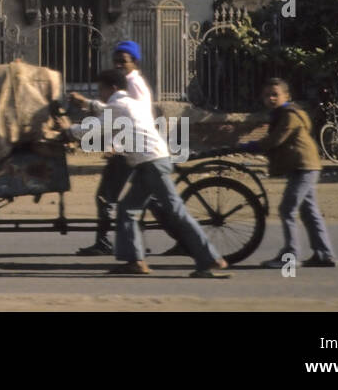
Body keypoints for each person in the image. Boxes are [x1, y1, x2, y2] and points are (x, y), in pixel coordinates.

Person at [62, 67, 229, 278]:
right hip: (148, 162)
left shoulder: (118, 106)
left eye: (101, 90)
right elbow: (106, 111)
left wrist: (68, 131)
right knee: (127, 209)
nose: (99, 94)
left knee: (175, 211)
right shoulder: (129, 103)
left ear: (112, 88)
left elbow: (96, 127)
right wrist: (87, 104)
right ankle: (135, 261)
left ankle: (210, 258)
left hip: (151, 163)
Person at [68, 40, 173, 255]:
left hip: (132, 148)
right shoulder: (126, 84)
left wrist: (115, 145)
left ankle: (110, 243)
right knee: (148, 200)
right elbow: (116, 112)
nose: (118, 65)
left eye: (122, 61)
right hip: (133, 147)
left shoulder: (133, 84)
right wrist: (89, 104)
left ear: (134, 62)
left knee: (109, 197)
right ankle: (163, 241)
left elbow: (128, 117)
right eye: (115, 61)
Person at [239, 79, 338, 269]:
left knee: (287, 209)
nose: (270, 98)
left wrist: (252, 146)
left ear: (287, 96)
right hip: (303, 166)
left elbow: (276, 139)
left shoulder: (289, 115)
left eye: (275, 94)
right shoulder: (281, 114)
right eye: (267, 95)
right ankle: (324, 254)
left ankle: (290, 256)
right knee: (309, 212)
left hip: (304, 166)